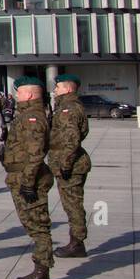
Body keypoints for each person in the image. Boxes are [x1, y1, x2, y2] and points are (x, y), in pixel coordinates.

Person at [3, 76, 54, 279]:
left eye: (20, 92)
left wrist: (27, 182)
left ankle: (42, 272)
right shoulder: (25, 115)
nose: (17, 95)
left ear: (30, 95)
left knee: (38, 226)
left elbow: (36, 154)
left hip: (28, 179)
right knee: (31, 224)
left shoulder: (32, 118)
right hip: (20, 176)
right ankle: (41, 269)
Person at [50, 73, 91, 260]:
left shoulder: (68, 109)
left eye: (57, 87)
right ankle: (76, 240)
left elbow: (71, 139)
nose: (54, 90)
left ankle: (77, 243)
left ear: (67, 89)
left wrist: (65, 164)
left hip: (71, 165)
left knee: (72, 204)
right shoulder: (70, 106)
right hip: (71, 163)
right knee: (72, 204)